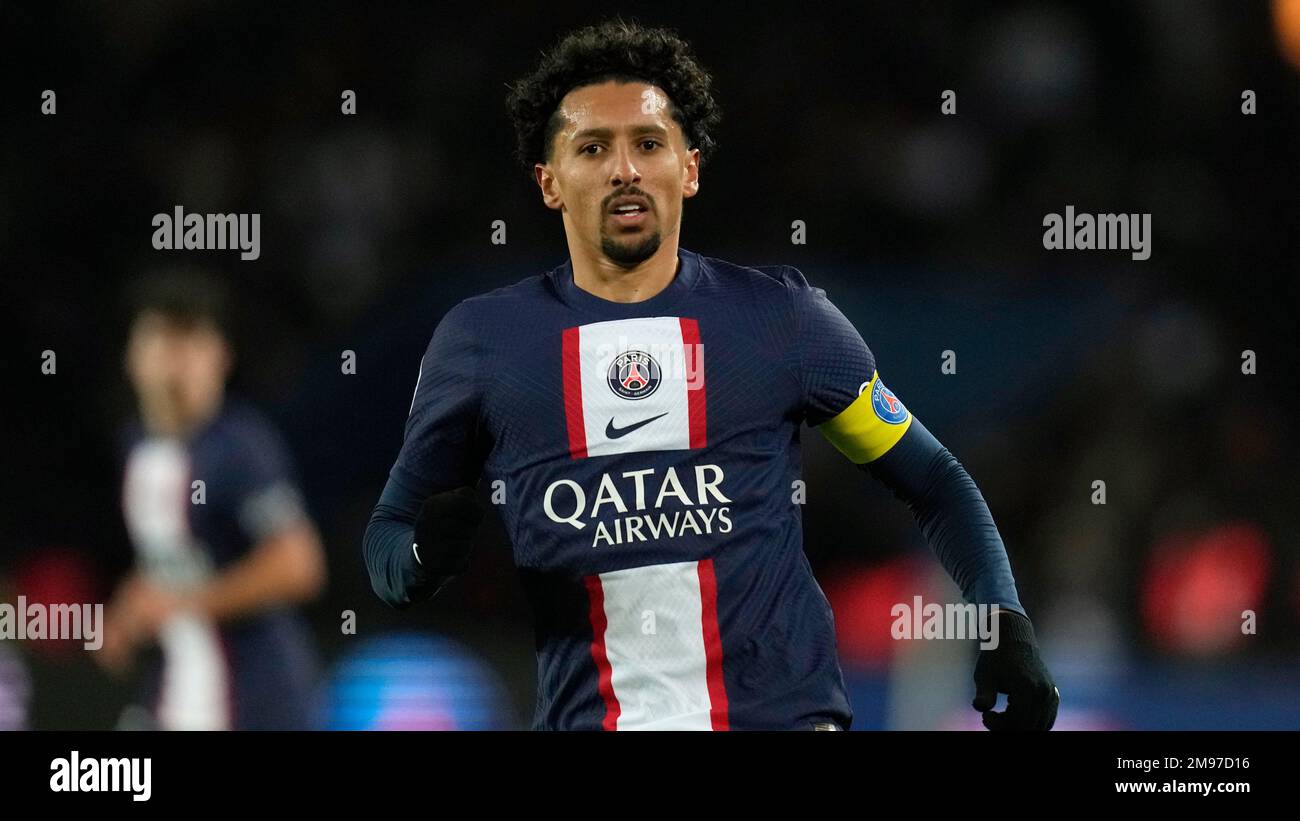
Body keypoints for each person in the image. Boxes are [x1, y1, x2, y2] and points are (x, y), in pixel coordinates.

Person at [364, 19, 1058, 731]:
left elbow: (935, 480)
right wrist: (420, 556)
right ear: (550, 182)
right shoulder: (482, 341)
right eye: (593, 147)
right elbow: (387, 535)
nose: (624, 168)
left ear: (688, 168)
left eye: (648, 143)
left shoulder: (784, 320)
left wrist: (1004, 618)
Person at [101, 269, 326, 730]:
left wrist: (182, 603)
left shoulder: (240, 447)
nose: (177, 363)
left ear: (221, 356)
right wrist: (131, 603)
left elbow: (298, 565)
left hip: (255, 699)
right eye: (164, 340)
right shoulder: (135, 446)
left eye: (192, 343)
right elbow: (178, 556)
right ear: (133, 355)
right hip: (176, 690)